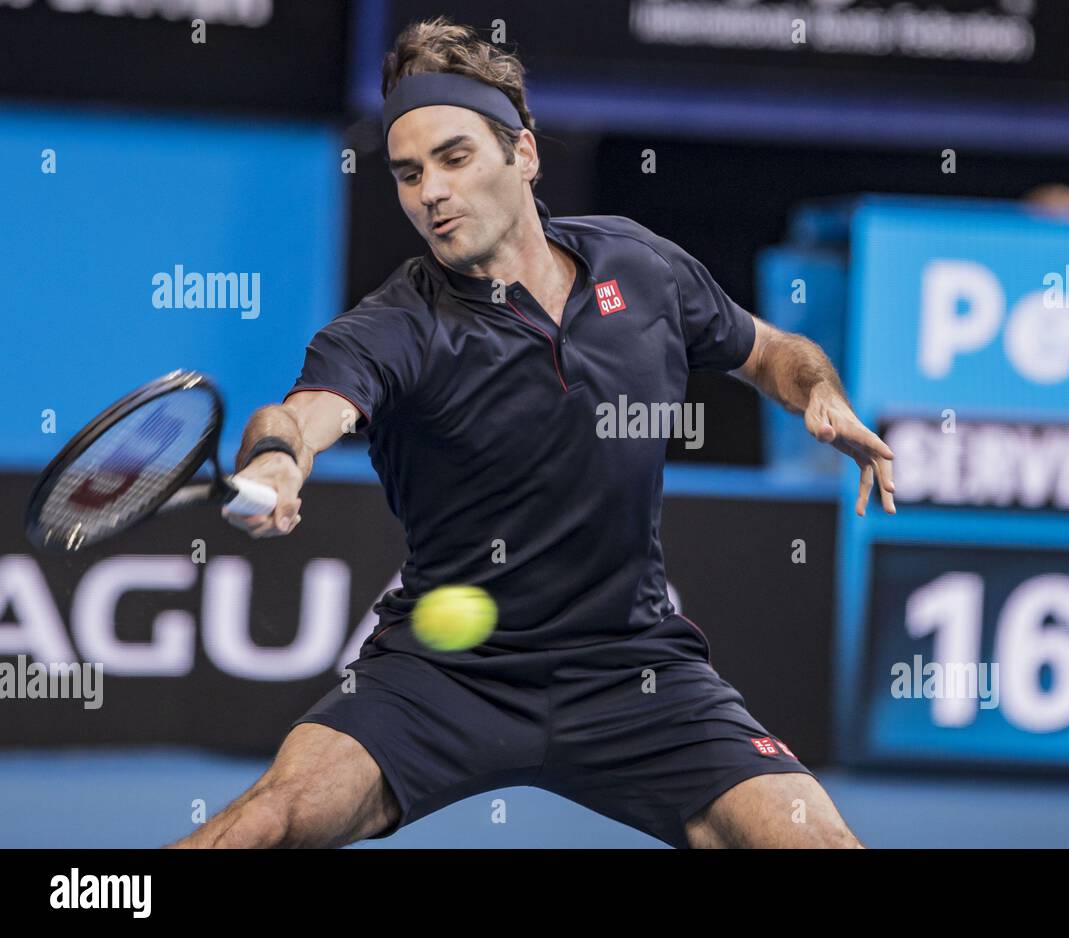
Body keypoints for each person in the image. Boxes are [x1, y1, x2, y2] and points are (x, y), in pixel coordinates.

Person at [168, 16, 895, 850]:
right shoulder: (392, 327)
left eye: (454, 157)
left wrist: (819, 394)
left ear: (524, 154)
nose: (430, 192)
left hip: (635, 670)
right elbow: (301, 412)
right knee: (265, 823)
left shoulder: (643, 269)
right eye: (408, 175)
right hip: (443, 677)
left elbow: (772, 352)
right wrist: (275, 458)